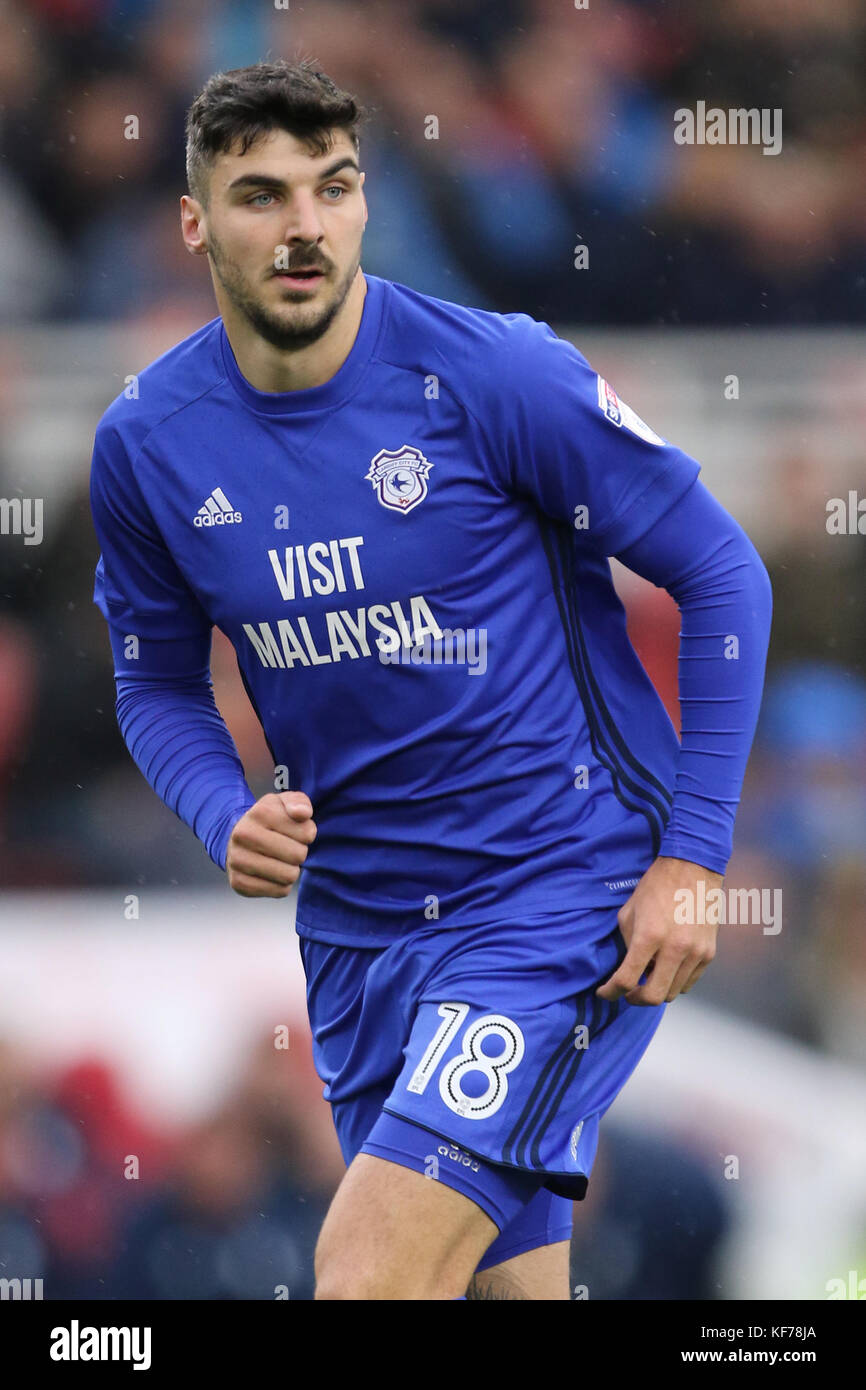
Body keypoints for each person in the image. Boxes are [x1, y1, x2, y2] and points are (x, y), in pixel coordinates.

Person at [88, 58, 772, 1300]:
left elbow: (723, 572)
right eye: (261, 195)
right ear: (194, 222)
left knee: (363, 1275)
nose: (303, 226)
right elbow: (154, 682)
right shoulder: (146, 443)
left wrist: (692, 857)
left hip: (554, 896)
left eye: (333, 188)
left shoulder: (492, 374)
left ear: (363, 202)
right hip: (357, 936)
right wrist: (218, 810)